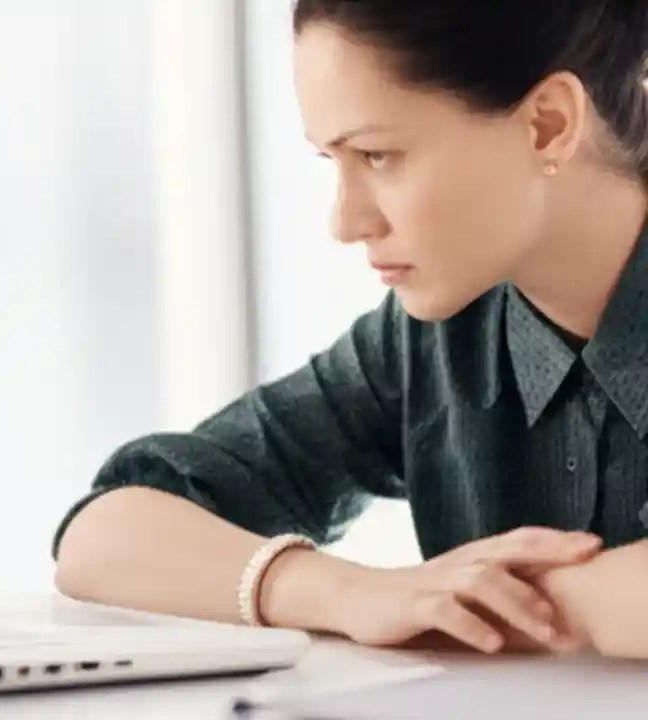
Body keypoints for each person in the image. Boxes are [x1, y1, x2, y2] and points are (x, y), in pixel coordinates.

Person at [53, 0, 648, 659]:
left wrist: (518, 600)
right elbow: (105, 536)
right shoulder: (434, 341)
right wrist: (352, 594)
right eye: (332, 160)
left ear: (547, 125)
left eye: (377, 155)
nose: (345, 222)